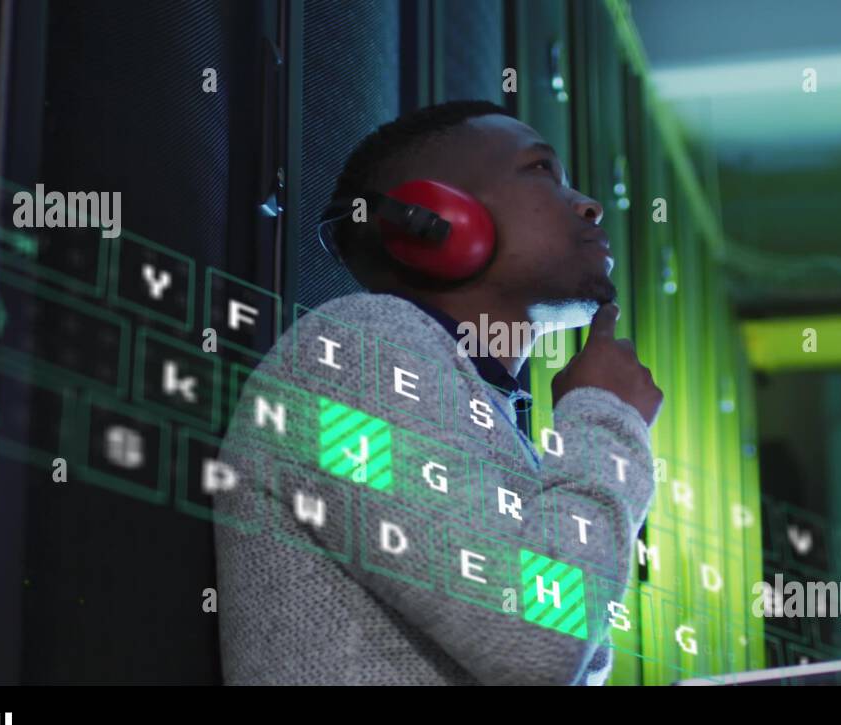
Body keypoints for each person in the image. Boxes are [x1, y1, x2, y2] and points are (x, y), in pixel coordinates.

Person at [213, 99, 662, 685]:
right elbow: (536, 640)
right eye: (541, 171)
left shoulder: (481, 412)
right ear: (440, 216)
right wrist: (607, 417)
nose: (589, 204)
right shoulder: (357, 350)